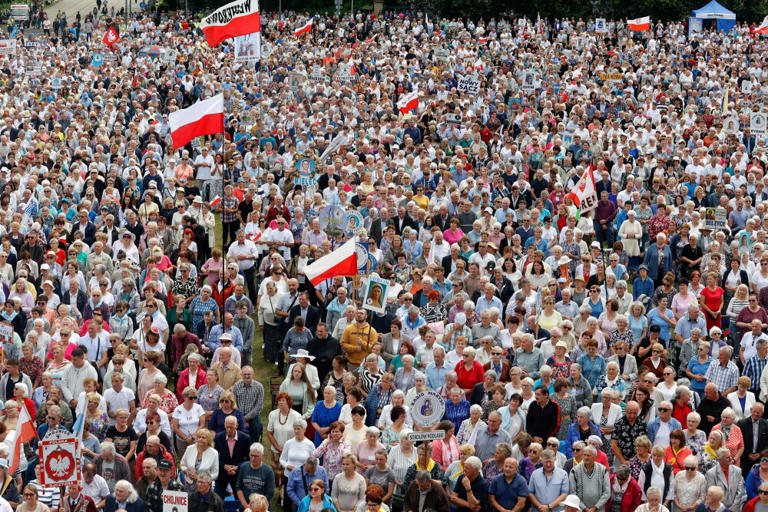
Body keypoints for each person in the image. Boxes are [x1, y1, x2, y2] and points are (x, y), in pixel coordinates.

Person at [568, 445, 610, 512]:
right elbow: (572, 492)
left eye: (588, 455)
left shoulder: (603, 470)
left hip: (599, 510)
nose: (586, 457)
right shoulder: (574, 471)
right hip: (580, 510)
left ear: (595, 457)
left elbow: (607, 492)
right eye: (584, 455)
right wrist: (584, 508)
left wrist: (595, 507)